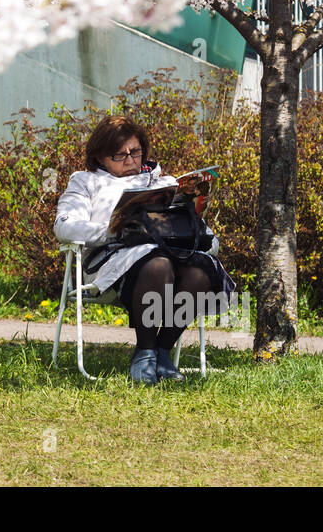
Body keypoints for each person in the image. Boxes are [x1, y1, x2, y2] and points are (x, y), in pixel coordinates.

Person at [53, 115, 233, 385]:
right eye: (119, 155)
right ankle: (146, 352)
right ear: (100, 157)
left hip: (172, 257)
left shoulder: (164, 183)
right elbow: (64, 226)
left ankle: (161, 351)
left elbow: (211, 240)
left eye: (135, 152)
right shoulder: (85, 182)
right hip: (113, 264)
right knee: (157, 264)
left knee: (200, 271)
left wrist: (197, 230)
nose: (130, 160)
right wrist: (114, 229)